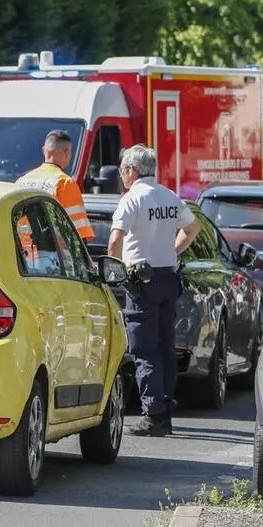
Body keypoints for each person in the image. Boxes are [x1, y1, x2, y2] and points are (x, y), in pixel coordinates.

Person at [107, 144, 200, 437]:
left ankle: (153, 415)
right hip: (167, 277)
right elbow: (192, 229)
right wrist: (172, 252)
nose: (122, 175)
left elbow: (114, 242)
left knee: (145, 350)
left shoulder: (131, 199)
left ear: (132, 171)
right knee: (164, 347)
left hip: (141, 280)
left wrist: (117, 271)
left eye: (123, 170)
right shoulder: (168, 196)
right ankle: (165, 410)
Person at [16, 130, 94, 241]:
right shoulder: (65, 183)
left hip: (21, 255)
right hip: (50, 256)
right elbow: (78, 234)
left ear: (44, 150)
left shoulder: (21, 182)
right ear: (67, 152)